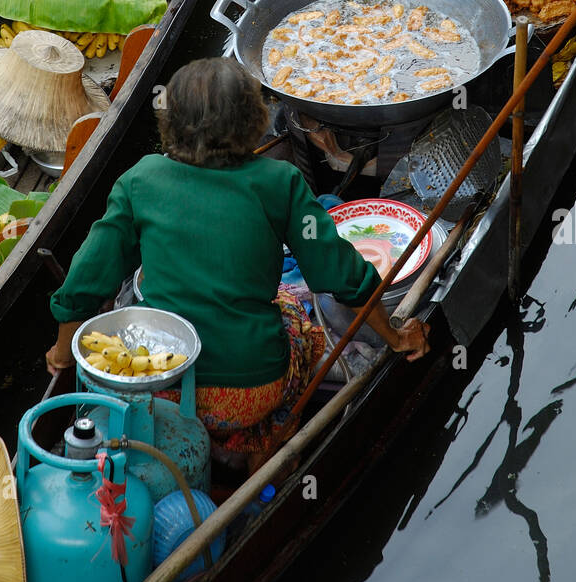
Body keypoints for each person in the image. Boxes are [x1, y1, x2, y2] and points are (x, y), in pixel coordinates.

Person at [46, 59, 429, 467]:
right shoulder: (280, 182)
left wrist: (62, 355)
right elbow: (342, 275)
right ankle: (262, 452)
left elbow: (86, 281)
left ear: (171, 122)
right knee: (297, 321)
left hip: (161, 384)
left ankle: (223, 450)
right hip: (251, 394)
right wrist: (396, 337)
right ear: (252, 120)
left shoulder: (140, 178)